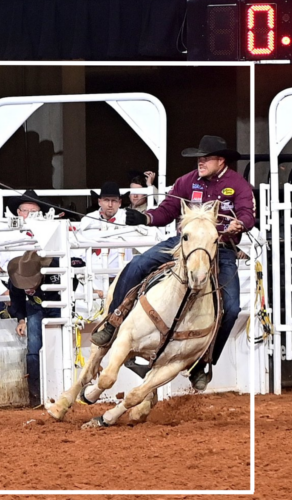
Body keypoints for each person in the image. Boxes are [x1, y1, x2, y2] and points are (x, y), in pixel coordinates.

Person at [93, 136, 255, 391]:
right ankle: (113, 321)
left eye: (205, 158)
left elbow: (247, 212)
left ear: (220, 160)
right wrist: (144, 218)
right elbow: (166, 210)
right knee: (138, 264)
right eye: (199, 158)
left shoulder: (238, 184)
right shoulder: (186, 181)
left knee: (232, 308)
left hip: (220, 247)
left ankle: (204, 361)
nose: (200, 162)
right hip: (184, 244)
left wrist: (241, 223)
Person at [7, 251, 61, 407]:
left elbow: (73, 284)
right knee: (34, 350)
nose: (27, 286)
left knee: (57, 347)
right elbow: (16, 298)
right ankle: (36, 394)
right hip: (35, 307)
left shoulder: (56, 268)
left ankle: (54, 389)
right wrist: (21, 319)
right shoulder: (17, 277)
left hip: (57, 305)